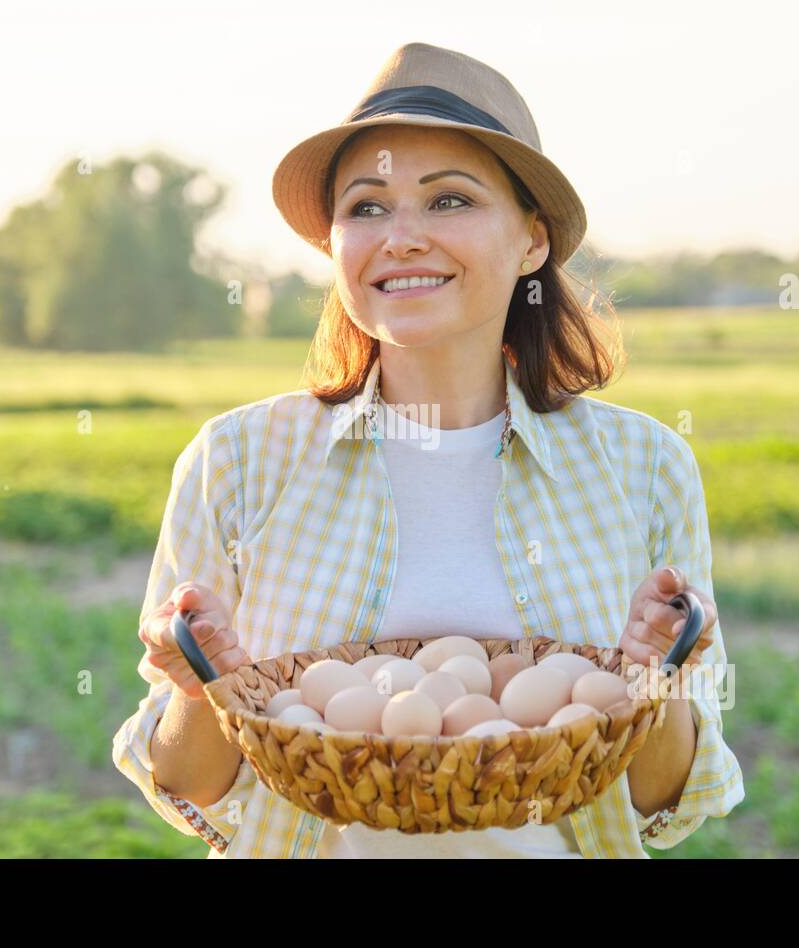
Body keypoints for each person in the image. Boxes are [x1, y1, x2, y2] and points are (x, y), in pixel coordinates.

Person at [113, 42, 744, 858]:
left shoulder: (644, 467)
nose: (401, 237)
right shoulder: (239, 460)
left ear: (532, 243)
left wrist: (649, 678)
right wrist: (204, 689)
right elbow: (191, 784)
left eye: (449, 201)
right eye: (367, 207)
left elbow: (663, 803)